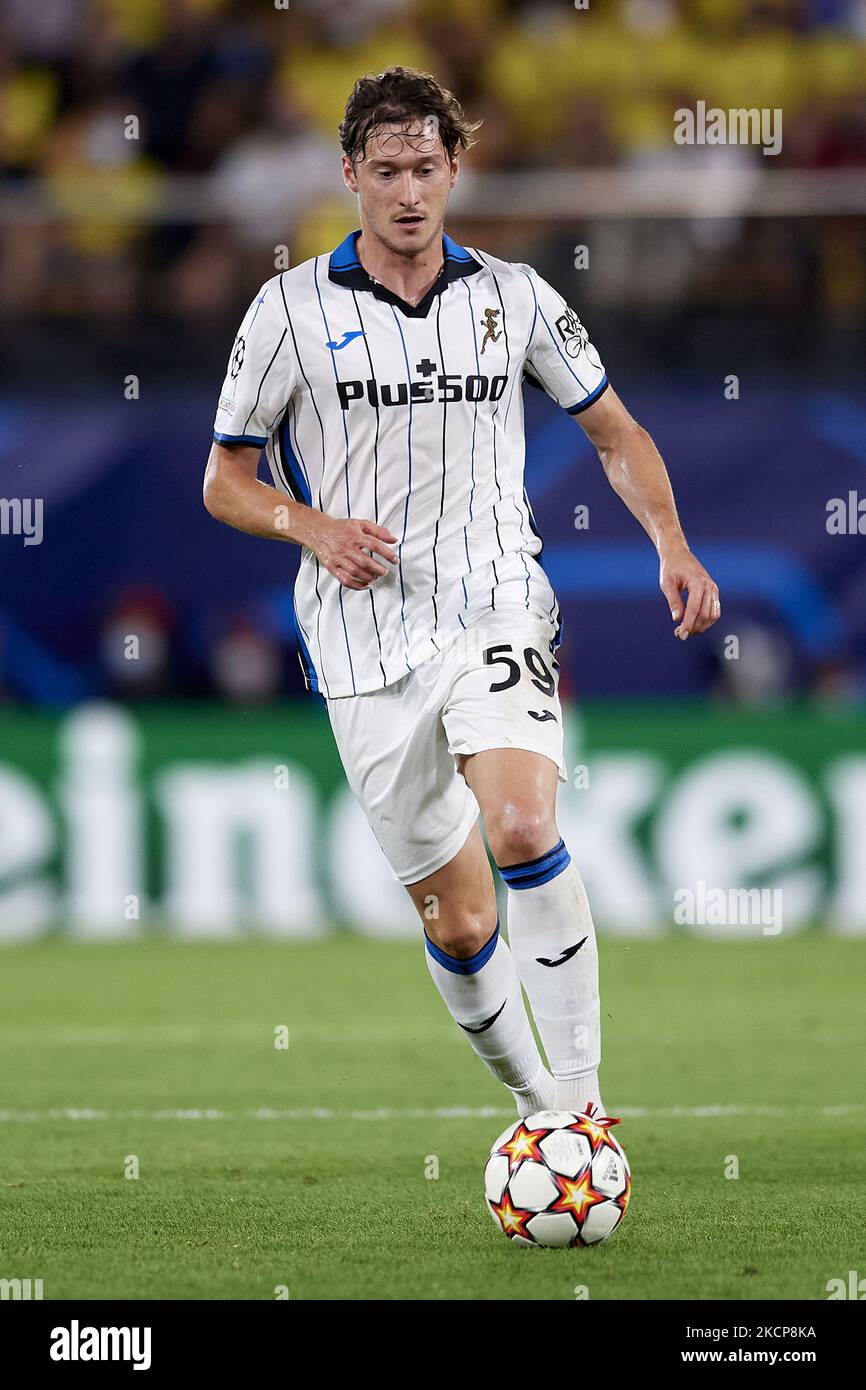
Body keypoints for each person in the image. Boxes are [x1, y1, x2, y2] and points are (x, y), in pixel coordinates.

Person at [203, 66, 721, 1123]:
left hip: (493, 599)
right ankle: (533, 1107)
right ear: (348, 173)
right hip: (357, 639)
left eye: (425, 169)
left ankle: (578, 1112)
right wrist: (309, 526)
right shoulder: (286, 312)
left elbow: (613, 432)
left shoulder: (515, 297)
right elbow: (224, 479)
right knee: (454, 917)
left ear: (455, 169)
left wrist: (670, 540)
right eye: (384, 170)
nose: (406, 192)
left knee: (523, 824)